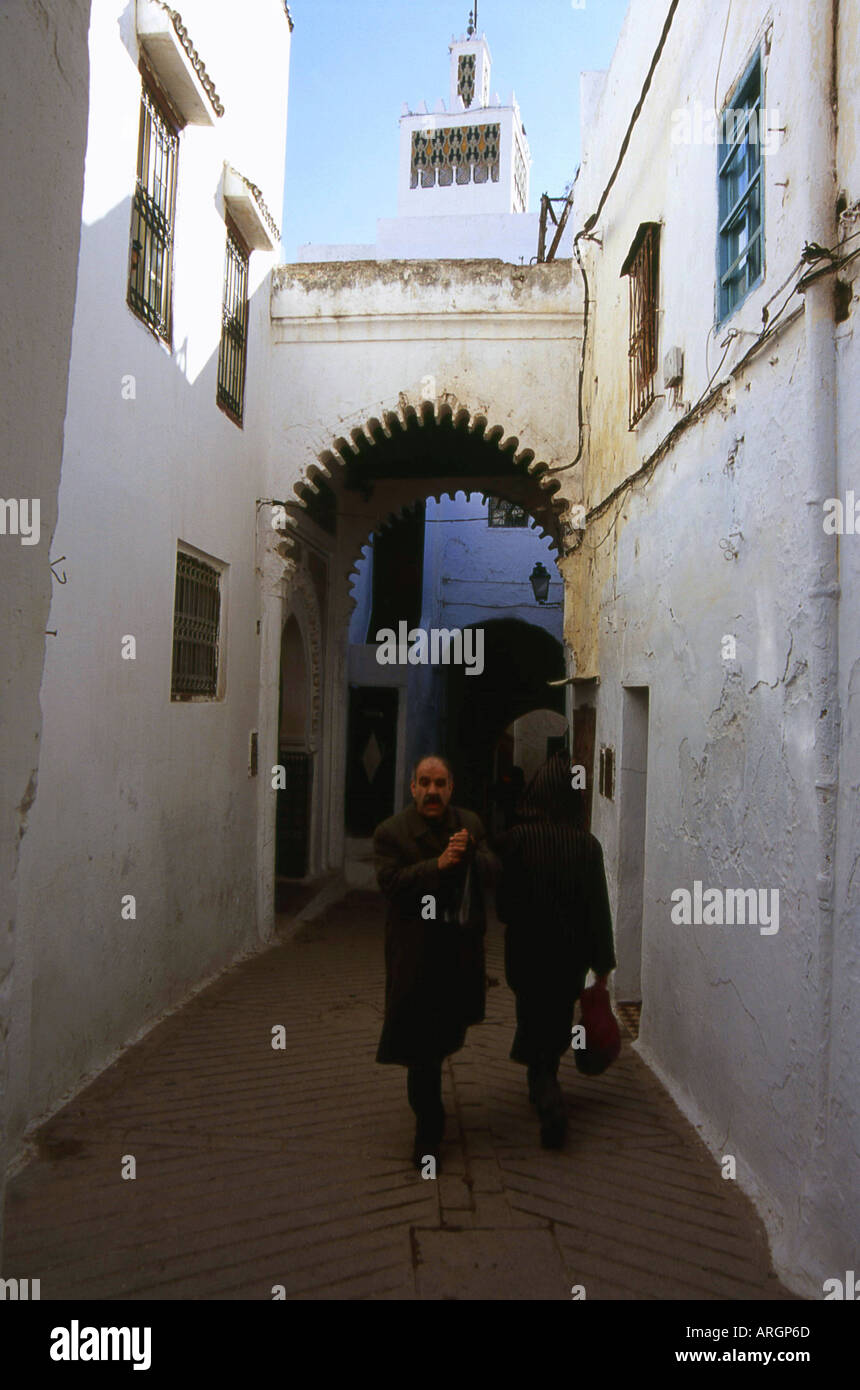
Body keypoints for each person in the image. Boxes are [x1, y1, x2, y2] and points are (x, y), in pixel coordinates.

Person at [374, 755, 496, 1171]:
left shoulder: (471, 824)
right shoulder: (391, 833)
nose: (432, 791)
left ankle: (430, 1112)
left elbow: (496, 873)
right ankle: (428, 1131)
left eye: (439, 783)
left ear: (451, 787)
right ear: (412, 788)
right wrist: (438, 865)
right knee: (420, 1051)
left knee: (445, 1037)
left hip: (458, 957)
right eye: (424, 783)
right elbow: (391, 885)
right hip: (415, 956)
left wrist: (474, 854)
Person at [494, 749, 617, 1149]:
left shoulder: (516, 840)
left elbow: (505, 906)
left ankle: (549, 1101)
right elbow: (598, 910)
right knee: (554, 1024)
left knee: (532, 1020)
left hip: (527, 957)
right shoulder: (588, 847)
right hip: (569, 959)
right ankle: (543, 1084)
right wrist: (602, 965)